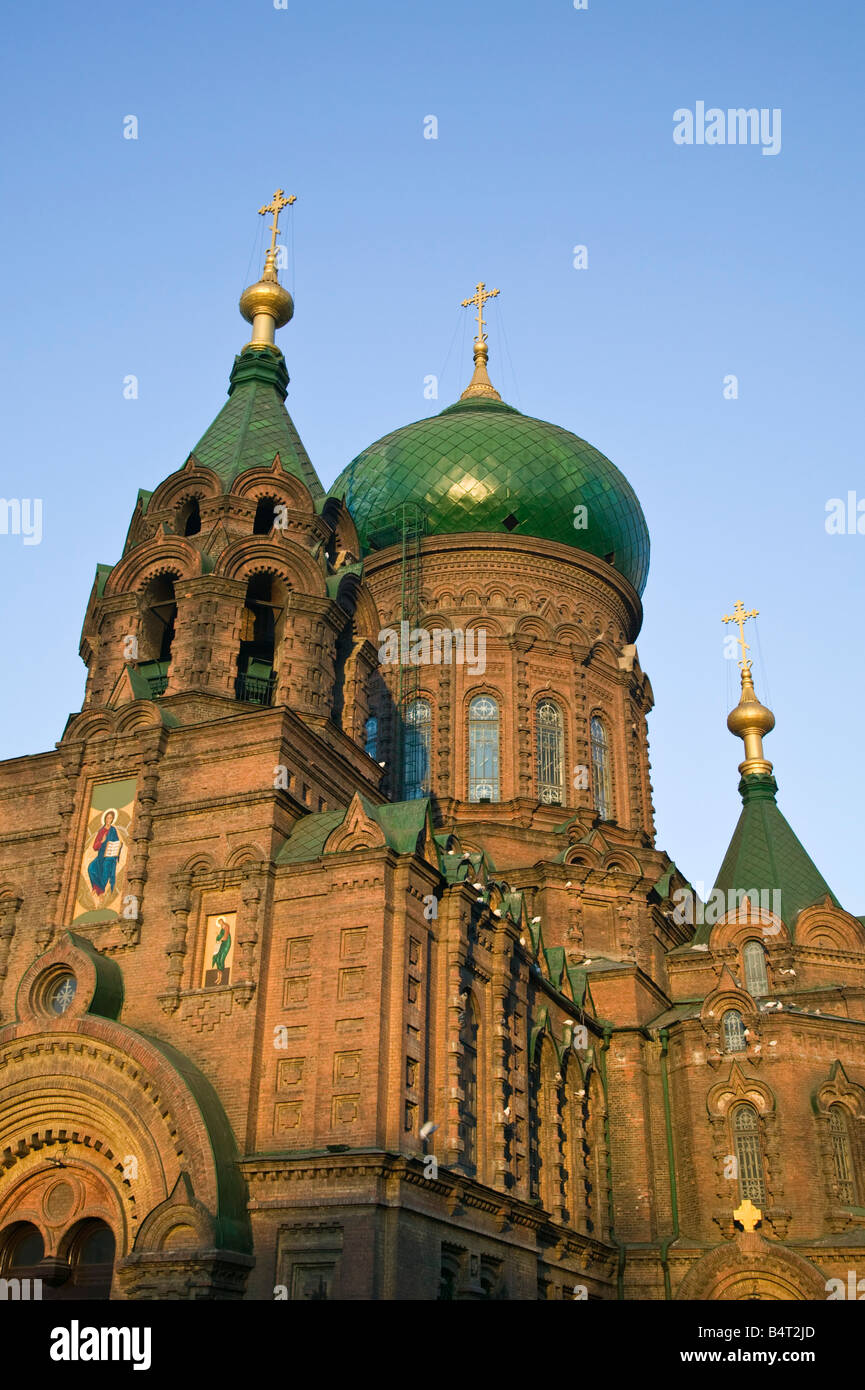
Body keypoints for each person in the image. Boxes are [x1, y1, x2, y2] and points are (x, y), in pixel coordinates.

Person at [87, 811, 122, 898]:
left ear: (112, 819)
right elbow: (94, 847)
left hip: (109, 855)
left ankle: (100, 890)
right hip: (100, 856)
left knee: (107, 866)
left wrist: (118, 846)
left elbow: (116, 842)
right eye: (107, 818)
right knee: (91, 868)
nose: (108, 820)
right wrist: (101, 842)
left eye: (110, 818)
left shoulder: (113, 830)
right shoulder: (101, 831)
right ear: (104, 818)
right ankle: (96, 887)